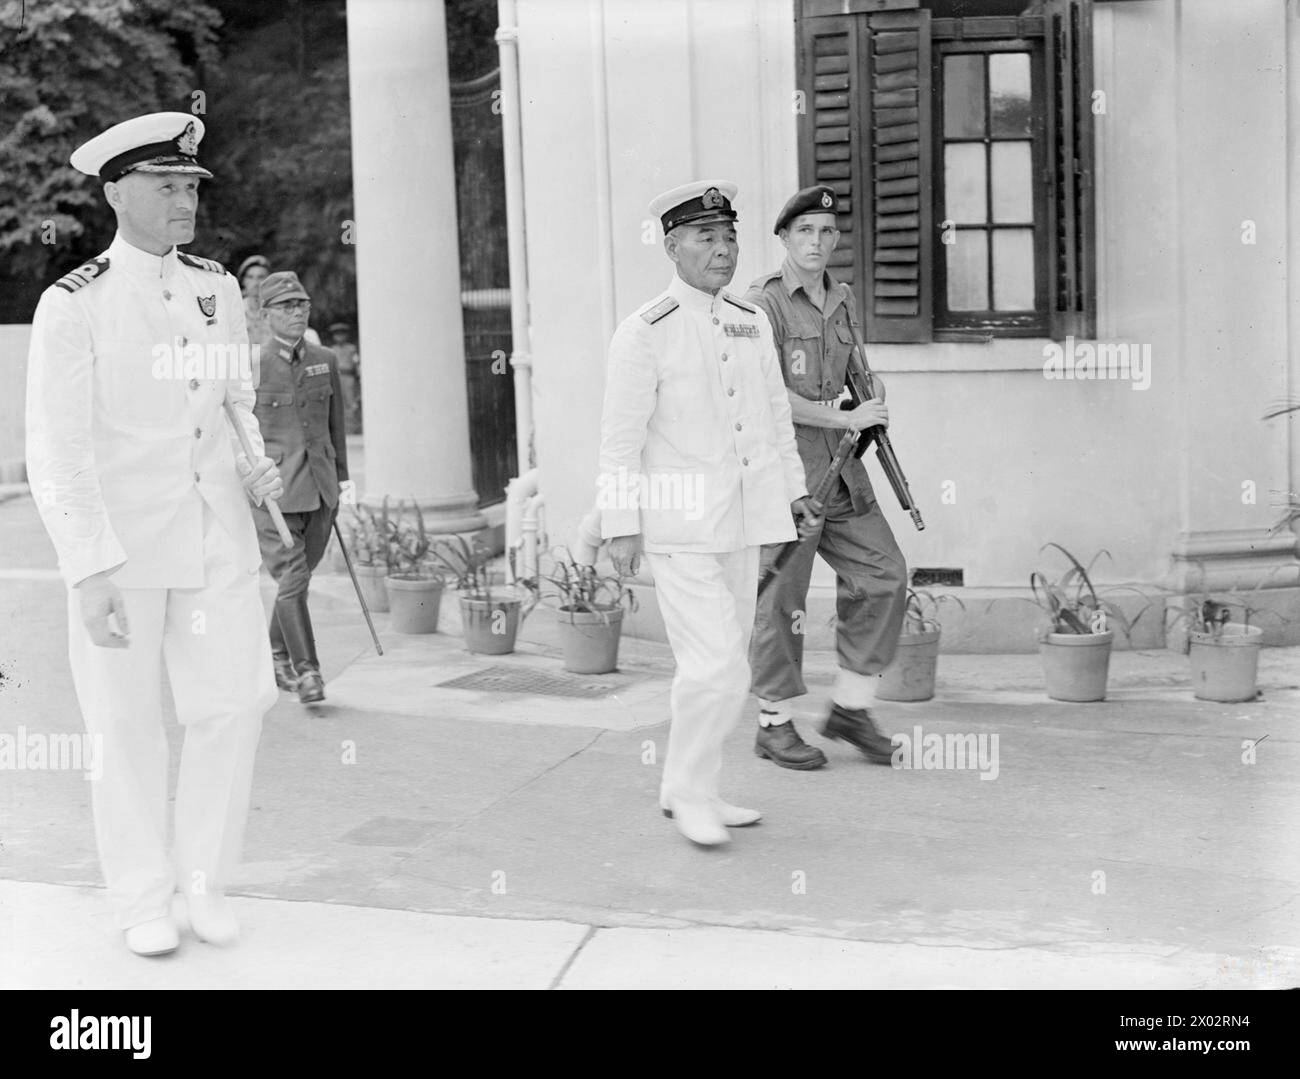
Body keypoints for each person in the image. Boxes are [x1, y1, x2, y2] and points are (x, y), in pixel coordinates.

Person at [25, 112, 284, 956]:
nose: (186, 201)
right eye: (168, 187)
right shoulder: (76, 304)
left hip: (216, 532)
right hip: (124, 542)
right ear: (116, 193)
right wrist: (87, 569)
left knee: (234, 701)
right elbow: (56, 452)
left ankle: (203, 880)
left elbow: (235, 400)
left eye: (192, 187)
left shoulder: (217, 285)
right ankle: (141, 896)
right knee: (124, 723)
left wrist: (257, 463)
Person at [597, 180, 818, 847]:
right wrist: (620, 523)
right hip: (677, 526)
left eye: (729, 237)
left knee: (725, 665)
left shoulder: (749, 320)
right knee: (716, 664)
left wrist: (794, 490)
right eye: (705, 238)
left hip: (741, 521)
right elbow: (620, 438)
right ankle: (689, 793)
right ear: (672, 247)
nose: (722, 250)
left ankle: (692, 785)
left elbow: (775, 418)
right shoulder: (645, 331)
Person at [745, 185, 907, 769]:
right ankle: (773, 723)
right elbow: (767, 397)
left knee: (884, 574)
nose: (816, 242)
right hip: (787, 474)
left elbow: (856, 369)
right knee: (783, 598)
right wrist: (846, 416)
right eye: (804, 231)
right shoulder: (759, 306)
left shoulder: (842, 298)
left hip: (840, 469)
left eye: (827, 232)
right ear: (784, 238)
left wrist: (873, 393)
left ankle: (850, 707)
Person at [252, 272, 350, 703]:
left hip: (321, 489)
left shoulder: (324, 358)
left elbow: (336, 425)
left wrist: (341, 481)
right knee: (292, 576)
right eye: (286, 306)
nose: (296, 312)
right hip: (275, 493)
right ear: (265, 313)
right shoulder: (251, 363)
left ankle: (274, 654)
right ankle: (307, 672)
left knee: (299, 578)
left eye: (302, 305)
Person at [328, 321, 362, 434]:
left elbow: (356, 363)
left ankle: (351, 429)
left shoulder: (351, 348)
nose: (339, 337)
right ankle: (341, 430)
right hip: (336, 377)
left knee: (351, 402)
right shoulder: (332, 349)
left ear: (346, 335)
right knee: (338, 403)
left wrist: (358, 375)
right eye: (337, 334)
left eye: (342, 334)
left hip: (348, 377)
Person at [236, 254, 271, 348]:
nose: (255, 283)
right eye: (250, 277)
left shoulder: (277, 311)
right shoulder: (235, 310)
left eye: (260, 277)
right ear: (243, 281)